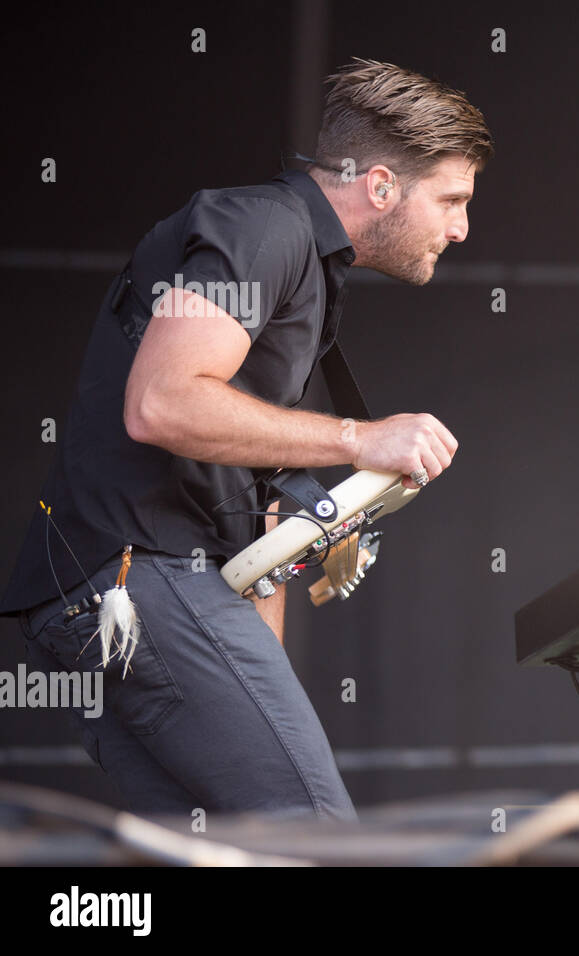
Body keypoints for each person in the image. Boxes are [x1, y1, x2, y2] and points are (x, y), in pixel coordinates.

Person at [0, 58, 492, 819]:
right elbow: (161, 402)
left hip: (106, 594)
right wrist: (361, 439)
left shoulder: (306, 269)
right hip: (138, 576)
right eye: (452, 199)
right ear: (383, 186)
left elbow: (256, 527)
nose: (461, 226)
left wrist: (267, 686)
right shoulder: (267, 227)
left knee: (228, 847)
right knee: (317, 837)